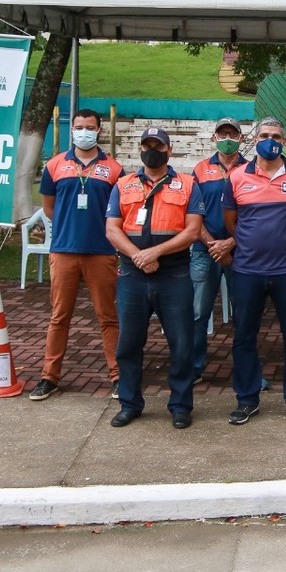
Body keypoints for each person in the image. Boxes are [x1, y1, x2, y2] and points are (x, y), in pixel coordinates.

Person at [105, 127, 204, 429]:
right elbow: (112, 229)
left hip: (174, 273)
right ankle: (130, 403)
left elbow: (193, 230)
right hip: (132, 274)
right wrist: (139, 256)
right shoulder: (123, 185)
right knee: (128, 343)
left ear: (169, 150)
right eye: (147, 146)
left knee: (181, 343)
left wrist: (155, 253)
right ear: (140, 150)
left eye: (158, 146)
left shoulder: (188, 184)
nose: (152, 151)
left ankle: (181, 406)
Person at [222, 117, 286, 426]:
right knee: (244, 336)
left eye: (276, 136)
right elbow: (231, 221)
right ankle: (247, 399)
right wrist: (253, 243)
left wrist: (285, 244)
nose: (270, 140)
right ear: (255, 140)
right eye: (264, 135)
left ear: (284, 141)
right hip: (248, 270)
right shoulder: (237, 177)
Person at [30, 109, 124, 401]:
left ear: (99, 131)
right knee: (59, 317)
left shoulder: (114, 169)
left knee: (108, 317)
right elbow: (49, 207)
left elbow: (119, 210)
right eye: (79, 126)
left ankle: (118, 376)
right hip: (64, 250)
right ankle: (49, 376)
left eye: (90, 127)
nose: (84, 131)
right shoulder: (55, 164)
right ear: (72, 129)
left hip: (101, 251)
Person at [189, 117, 247, 385]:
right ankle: (194, 367)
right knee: (198, 312)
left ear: (241, 138)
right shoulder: (200, 169)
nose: (227, 139)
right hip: (205, 249)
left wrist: (230, 243)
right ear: (214, 138)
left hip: (241, 250)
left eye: (232, 134)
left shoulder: (252, 169)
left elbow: (254, 214)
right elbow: (192, 213)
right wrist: (214, 245)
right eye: (222, 134)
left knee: (244, 312)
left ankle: (246, 370)